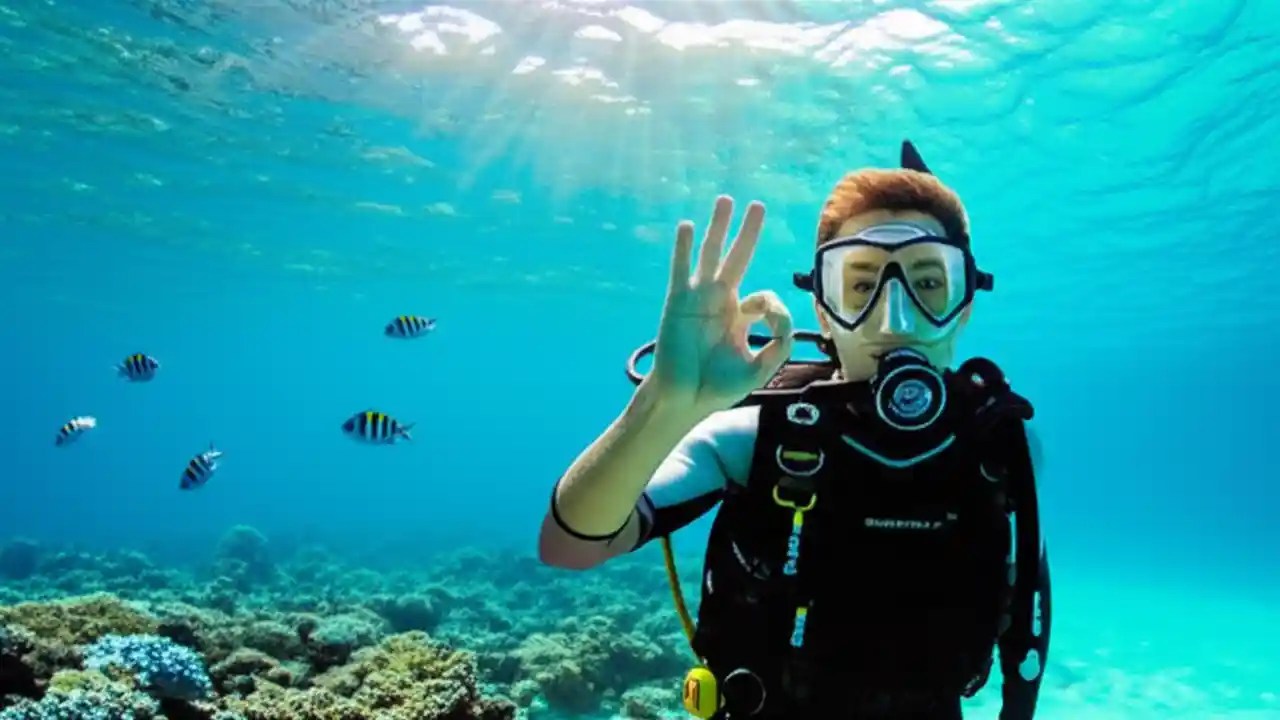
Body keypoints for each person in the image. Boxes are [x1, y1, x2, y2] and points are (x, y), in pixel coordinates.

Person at [538, 140, 1051, 720]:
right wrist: (662, 405)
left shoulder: (1005, 448)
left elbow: (1021, 603)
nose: (895, 318)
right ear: (824, 312)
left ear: (964, 306)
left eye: (929, 284)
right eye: (859, 286)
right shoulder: (752, 437)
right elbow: (569, 546)